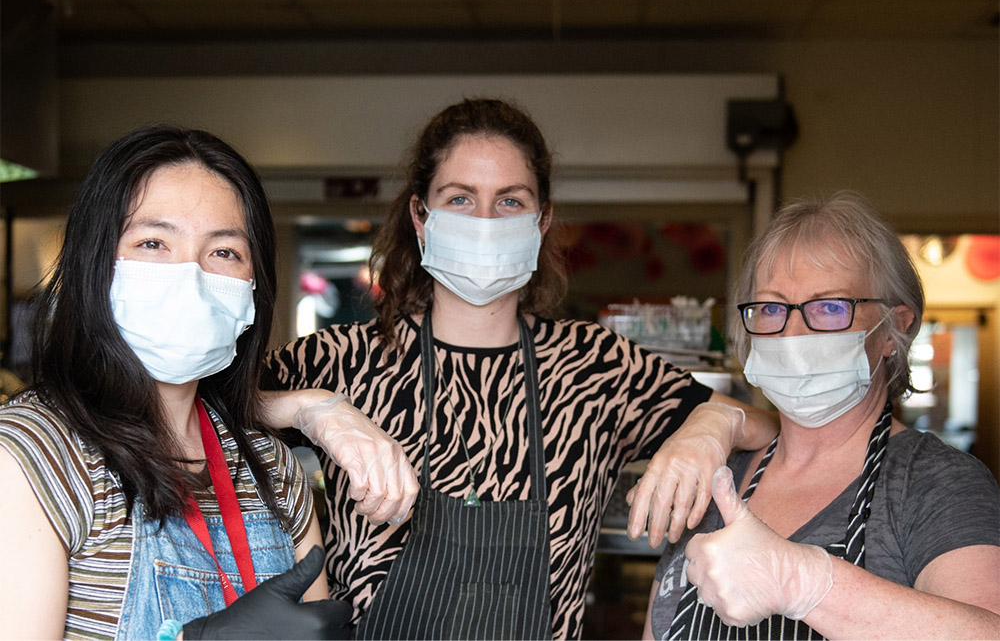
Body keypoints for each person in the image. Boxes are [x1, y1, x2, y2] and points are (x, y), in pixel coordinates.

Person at [262, 97, 778, 640]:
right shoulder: (343, 360)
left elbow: (767, 431)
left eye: (509, 202)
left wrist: (714, 426)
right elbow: (199, 410)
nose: (484, 221)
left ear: (542, 220)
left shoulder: (597, 367)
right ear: (421, 215)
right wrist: (313, 408)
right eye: (460, 198)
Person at [0, 125, 360, 639]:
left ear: (254, 289)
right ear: (95, 264)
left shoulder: (270, 467)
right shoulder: (31, 456)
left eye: (224, 253)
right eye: (153, 243)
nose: (189, 278)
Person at [644, 192, 1000, 640]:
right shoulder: (716, 478)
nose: (792, 333)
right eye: (771, 308)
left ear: (894, 329)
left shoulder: (934, 483)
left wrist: (804, 582)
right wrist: (716, 421)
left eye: (829, 307)